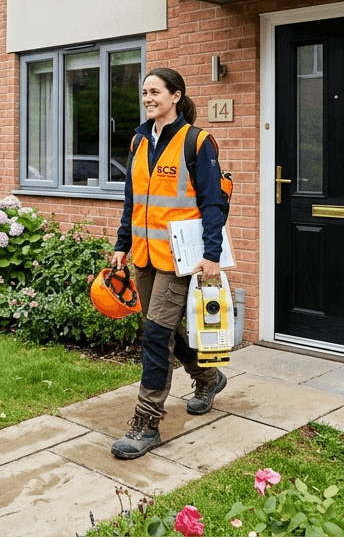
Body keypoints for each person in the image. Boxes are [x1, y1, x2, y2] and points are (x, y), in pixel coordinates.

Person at [110, 67, 229, 460]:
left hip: (182, 260)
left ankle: (146, 424)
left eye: (155, 92)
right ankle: (208, 378)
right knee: (166, 331)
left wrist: (211, 254)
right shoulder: (139, 140)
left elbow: (213, 203)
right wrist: (122, 244)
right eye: (144, 92)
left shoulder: (197, 142)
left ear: (176, 96)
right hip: (145, 255)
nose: (148, 98)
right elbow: (132, 200)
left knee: (156, 337)